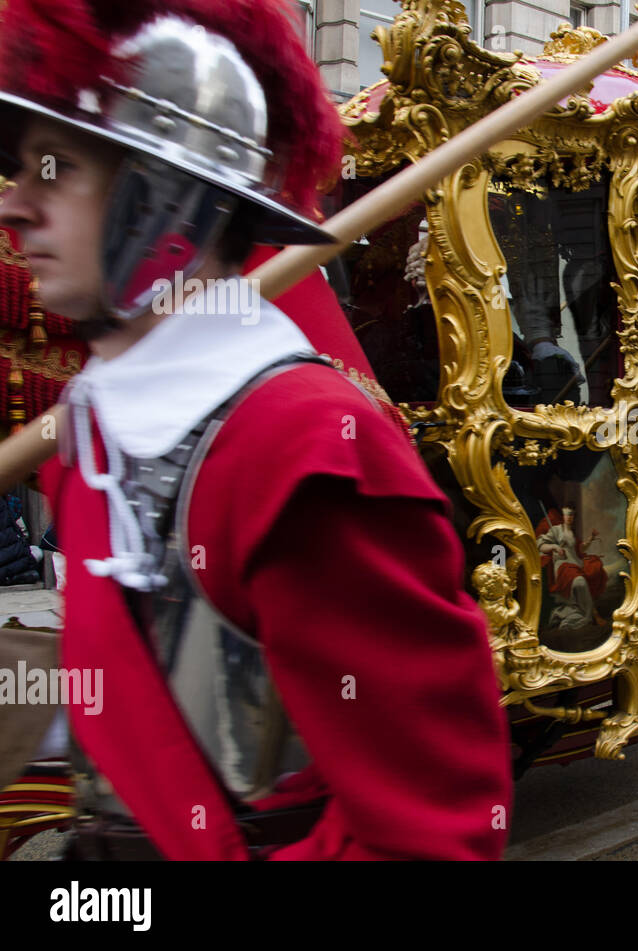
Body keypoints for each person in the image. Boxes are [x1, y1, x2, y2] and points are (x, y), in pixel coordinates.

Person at [0, 0, 511, 860]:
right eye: (14, 171)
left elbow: (430, 839)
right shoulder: (91, 434)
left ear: (163, 200)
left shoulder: (307, 452)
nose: (12, 207)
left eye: (55, 169)